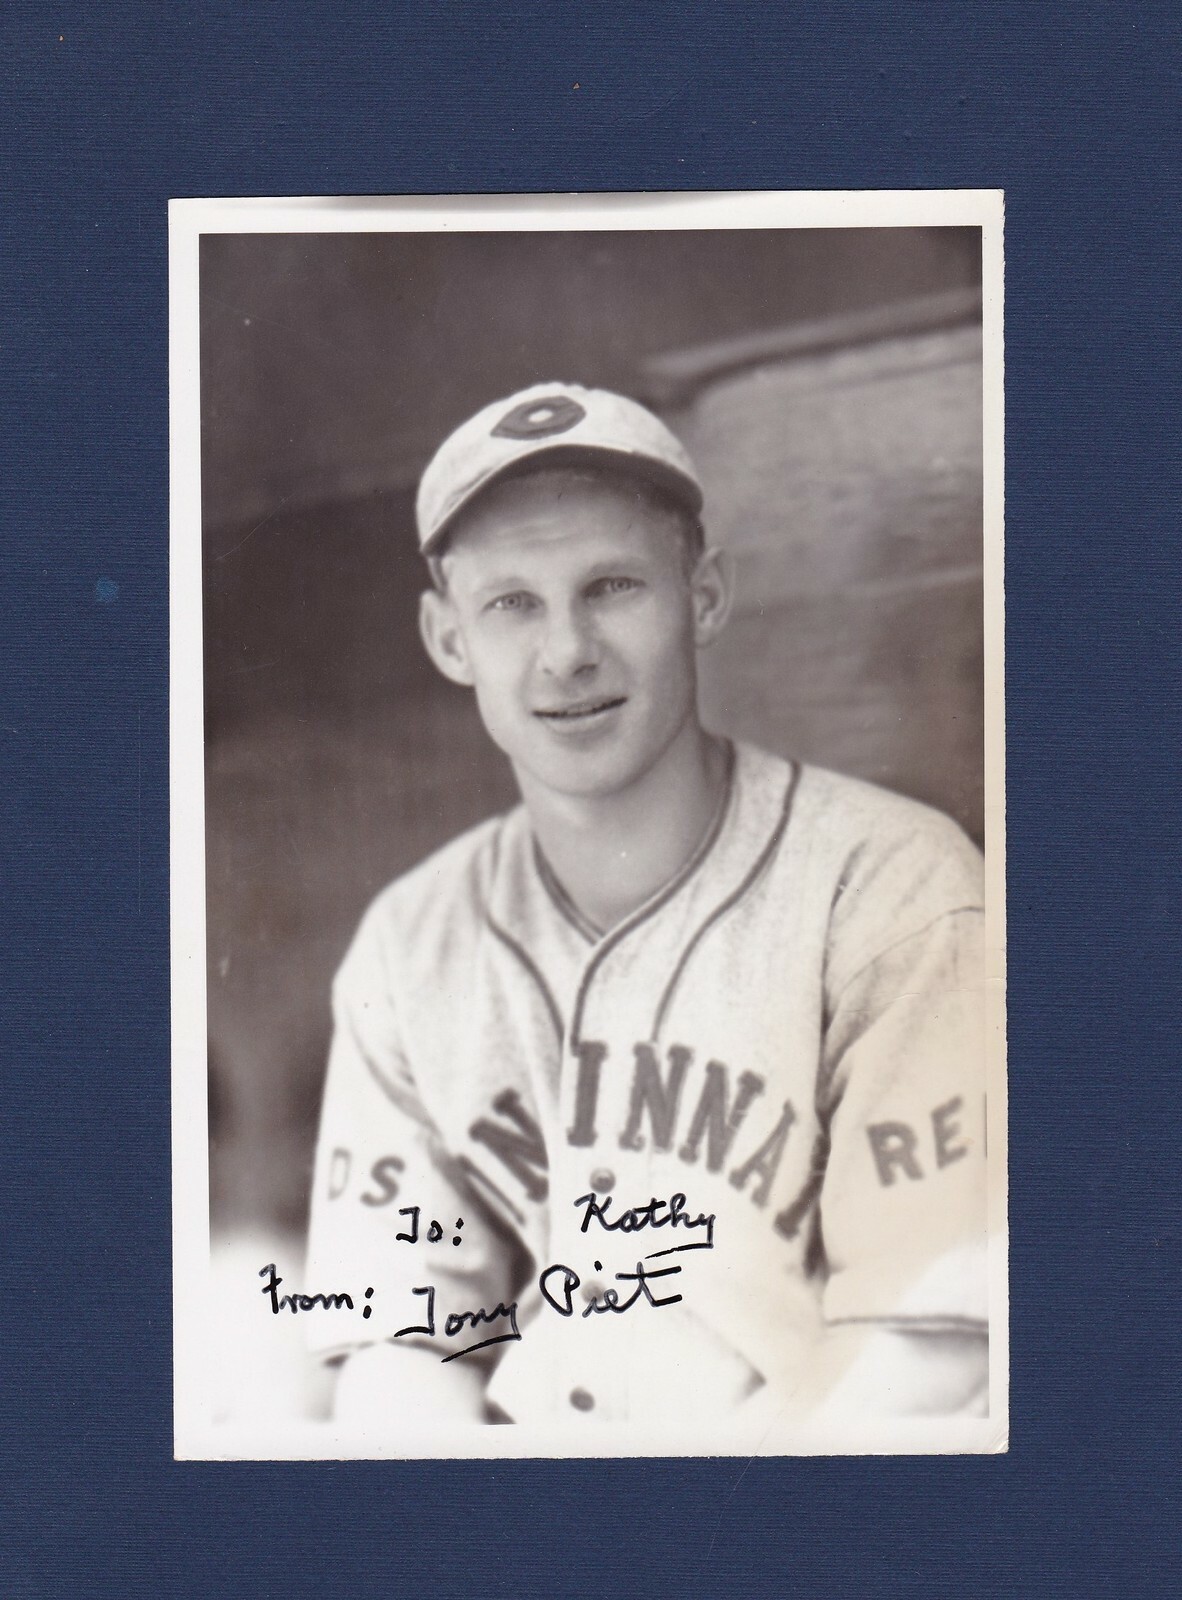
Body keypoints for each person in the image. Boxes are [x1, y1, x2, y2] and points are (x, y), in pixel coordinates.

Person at [303, 381, 989, 1432]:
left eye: (612, 585)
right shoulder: (410, 943)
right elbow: (402, 1347)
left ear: (704, 596)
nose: (567, 650)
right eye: (511, 604)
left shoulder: (891, 885)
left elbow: (930, 1352)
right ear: (449, 641)